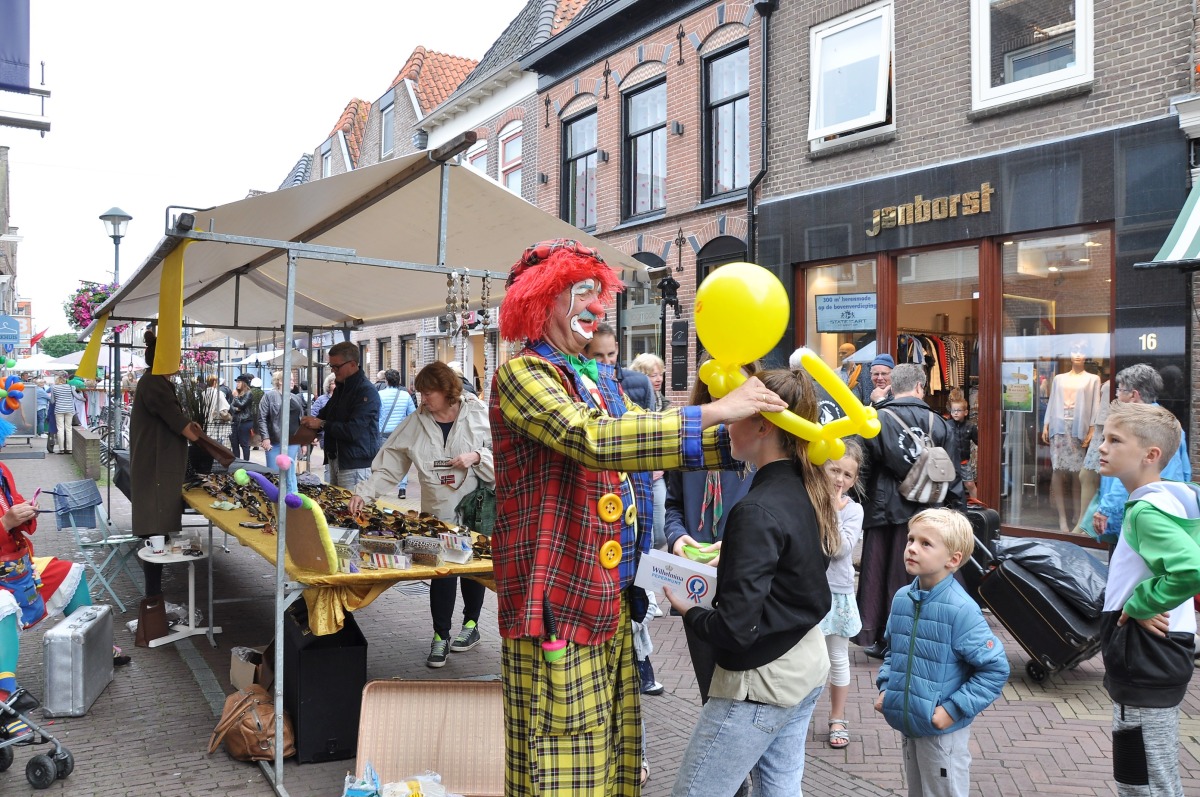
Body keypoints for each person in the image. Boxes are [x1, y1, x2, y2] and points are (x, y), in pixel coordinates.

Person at [489, 238, 783, 796]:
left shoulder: (597, 379)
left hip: (608, 597)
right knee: (561, 760)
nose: (597, 307)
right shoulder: (522, 374)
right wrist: (716, 410)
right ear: (541, 300)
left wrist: (751, 436)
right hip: (556, 601)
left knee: (609, 751)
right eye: (581, 293)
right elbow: (593, 438)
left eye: (599, 295)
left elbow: (646, 444)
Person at [664, 367, 838, 797]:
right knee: (780, 788)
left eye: (734, 412)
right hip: (806, 661)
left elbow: (735, 629)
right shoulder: (805, 486)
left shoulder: (756, 509)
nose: (725, 423)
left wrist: (691, 610)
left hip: (760, 681)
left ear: (762, 425)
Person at [349, 361, 493, 667]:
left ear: (447, 391)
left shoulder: (479, 413)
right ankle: (440, 636)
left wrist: (478, 456)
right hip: (437, 514)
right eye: (420, 393)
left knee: (474, 569)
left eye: (428, 393)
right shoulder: (416, 422)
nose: (423, 399)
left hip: (477, 510)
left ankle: (471, 625)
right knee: (440, 573)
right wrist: (364, 493)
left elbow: (507, 455)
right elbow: (390, 465)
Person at [1096, 401, 1200, 797]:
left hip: (1145, 656)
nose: (1102, 447)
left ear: (1150, 454)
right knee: (1152, 776)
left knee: (1144, 782)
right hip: (1156, 655)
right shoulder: (1174, 498)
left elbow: (1191, 569)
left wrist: (1141, 603)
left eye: (1115, 440)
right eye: (1104, 437)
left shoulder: (1146, 510)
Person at [874, 508, 1009, 797]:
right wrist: (887, 687)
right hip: (909, 723)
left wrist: (951, 710)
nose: (912, 548)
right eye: (911, 539)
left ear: (953, 559)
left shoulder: (961, 609)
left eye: (926, 543)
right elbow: (893, 651)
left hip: (943, 734)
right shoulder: (902, 598)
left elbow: (995, 669)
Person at [0, 416, 119, 739]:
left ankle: (96, 648)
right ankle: (4, 700)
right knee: (3, 607)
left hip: (16, 566)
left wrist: (25, 513)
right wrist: (6, 523)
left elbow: (14, 510)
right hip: (4, 579)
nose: (3, 444)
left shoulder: (2, 471)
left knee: (69, 572)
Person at [856, 362, 963, 659]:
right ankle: (929, 637)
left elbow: (862, 470)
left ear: (892, 386)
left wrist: (858, 505)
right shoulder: (939, 423)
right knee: (926, 574)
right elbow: (953, 475)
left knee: (881, 576)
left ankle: (883, 637)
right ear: (919, 387)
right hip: (929, 511)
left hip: (886, 511)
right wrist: (958, 514)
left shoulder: (876, 420)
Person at [664, 364, 755, 705]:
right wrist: (676, 536)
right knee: (709, 687)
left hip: (742, 579)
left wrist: (734, 547)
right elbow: (673, 505)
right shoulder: (686, 445)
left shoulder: (758, 446)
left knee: (742, 691)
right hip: (696, 582)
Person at [129, 328, 203, 605]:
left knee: (157, 533)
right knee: (155, 533)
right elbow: (178, 422)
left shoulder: (154, 381)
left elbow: (175, 420)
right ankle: (154, 599)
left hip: (155, 467)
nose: (179, 362)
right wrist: (201, 438)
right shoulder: (154, 383)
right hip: (155, 470)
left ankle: (154, 597)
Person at [1091, 364, 1191, 543]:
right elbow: (1185, 471)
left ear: (1134, 395)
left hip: (1134, 513)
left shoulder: (1135, 426)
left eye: (1120, 390)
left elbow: (1126, 473)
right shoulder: (1171, 423)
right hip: (1164, 506)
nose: (1117, 395)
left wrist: (1106, 509)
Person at [821, 438, 865, 750]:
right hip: (807, 590)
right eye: (835, 470)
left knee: (837, 657)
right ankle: (797, 713)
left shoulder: (853, 510)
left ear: (854, 479)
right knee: (804, 656)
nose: (840, 479)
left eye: (847, 474)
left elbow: (840, 549)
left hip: (836, 592)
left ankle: (837, 717)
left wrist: (835, 513)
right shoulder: (807, 499)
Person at [299, 342, 381, 490]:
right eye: (331, 366)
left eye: (336, 366)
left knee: (351, 504)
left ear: (352, 364)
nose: (333, 370)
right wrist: (308, 427)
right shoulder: (341, 388)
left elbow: (353, 430)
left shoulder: (366, 391)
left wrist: (321, 424)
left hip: (355, 464)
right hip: (336, 460)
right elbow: (326, 414)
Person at [1040, 343, 1102, 534]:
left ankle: (1078, 514)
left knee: (1078, 473)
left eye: (1082, 351)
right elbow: (1052, 402)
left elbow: (1096, 405)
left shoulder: (1093, 379)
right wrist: (1046, 424)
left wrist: (1092, 428)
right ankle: (1062, 517)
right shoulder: (1059, 378)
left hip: (1078, 429)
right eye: (1074, 350)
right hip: (1058, 427)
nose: (1078, 354)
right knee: (1058, 470)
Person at [257, 371, 304, 495]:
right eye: (290, 379)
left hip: (293, 441)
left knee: (290, 472)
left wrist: (303, 442)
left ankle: (292, 498)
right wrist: (265, 438)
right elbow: (262, 418)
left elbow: (301, 419)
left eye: (293, 379)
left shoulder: (296, 398)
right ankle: (274, 499)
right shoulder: (270, 396)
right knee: (274, 473)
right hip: (275, 441)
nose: (293, 381)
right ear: (281, 381)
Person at [376, 369, 417, 499]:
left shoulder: (379, 395)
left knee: (383, 461)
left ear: (386, 381)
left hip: (383, 433)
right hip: (400, 433)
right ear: (399, 381)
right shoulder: (406, 396)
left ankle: (381, 488)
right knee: (401, 461)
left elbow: (376, 414)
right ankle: (402, 488)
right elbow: (412, 415)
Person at [945, 390, 978, 501]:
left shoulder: (970, 426)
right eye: (953, 410)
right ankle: (949, 505)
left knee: (970, 484)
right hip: (950, 461)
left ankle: (975, 504)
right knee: (949, 484)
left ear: (966, 412)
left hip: (964, 461)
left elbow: (979, 441)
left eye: (959, 410)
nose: (955, 413)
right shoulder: (947, 425)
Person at [50, 375, 79, 454]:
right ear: (64, 381)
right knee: (69, 429)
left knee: (60, 429)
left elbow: (52, 401)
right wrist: (84, 399)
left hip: (59, 410)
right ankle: (69, 448)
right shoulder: (70, 387)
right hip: (69, 409)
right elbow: (77, 396)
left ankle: (61, 449)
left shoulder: (53, 387)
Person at [229, 373, 255, 460]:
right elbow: (231, 406)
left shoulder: (248, 393)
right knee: (234, 444)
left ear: (244, 383)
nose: (237, 384)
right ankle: (237, 462)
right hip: (235, 421)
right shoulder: (238, 393)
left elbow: (242, 405)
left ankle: (246, 462)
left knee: (244, 444)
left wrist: (236, 397)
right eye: (237, 382)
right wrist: (236, 409)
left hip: (245, 421)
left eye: (239, 382)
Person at [203, 374, 231, 446]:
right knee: (217, 442)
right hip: (217, 421)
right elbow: (226, 406)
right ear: (215, 382)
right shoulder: (218, 393)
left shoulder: (203, 393)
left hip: (206, 421)